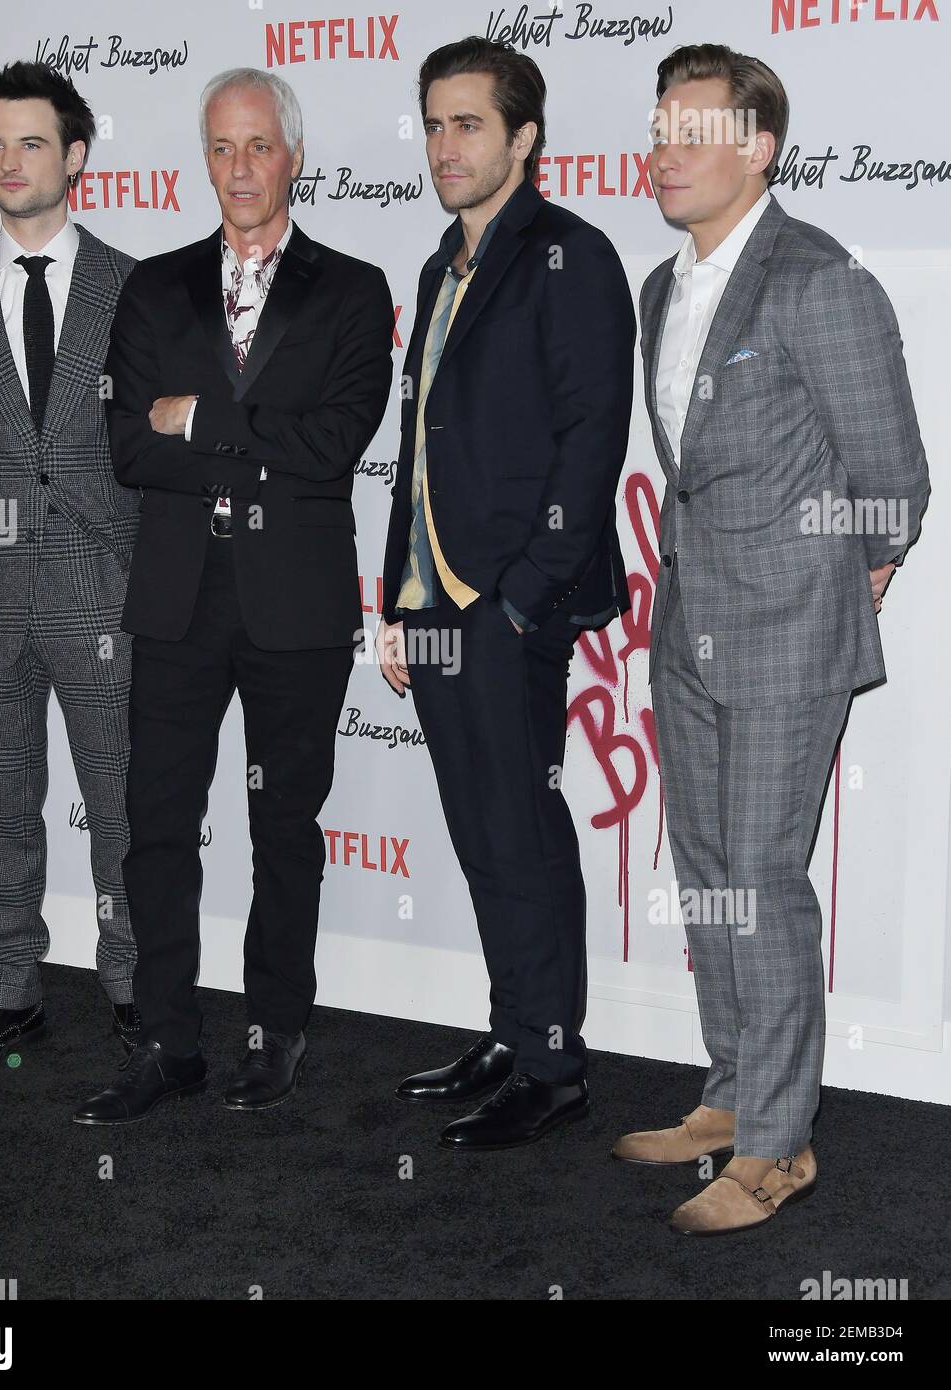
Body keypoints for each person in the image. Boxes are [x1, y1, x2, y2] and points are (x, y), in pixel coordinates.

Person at [612, 43, 930, 1235]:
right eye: (657, 127)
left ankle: (782, 1145)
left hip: (788, 634)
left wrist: (830, 583)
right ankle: (736, 1097)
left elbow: (894, 483)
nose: (666, 150)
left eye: (695, 129)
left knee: (760, 879)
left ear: (760, 147)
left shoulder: (818, 278)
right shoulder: (660, 287)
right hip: (686, 626)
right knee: (707, 878)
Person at [75, 68, 394, 1126]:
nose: (240, 168)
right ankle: (168, 1040)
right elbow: (124, 447)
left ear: (293, 155)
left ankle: (273, 1029)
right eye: (221, 148)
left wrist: (198, 421)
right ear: (203, 159)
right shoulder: (153, 287)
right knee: (154, 822)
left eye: (259, 146)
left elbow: (333, 447)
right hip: (174, 600)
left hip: (293, 603)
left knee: (282, 825)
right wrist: (213, 438)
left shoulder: (352, 289)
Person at [377, 36, 635, 1152]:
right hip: (433, 607)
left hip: (510, 607)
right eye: (433, 123)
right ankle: (510, 1025)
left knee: (522, 830)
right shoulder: (442, 266)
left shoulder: (575, 255)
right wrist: (398, 596)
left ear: (525, 138)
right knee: (480, 829)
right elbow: (418, 446)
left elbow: (591, 443)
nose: (446, 145)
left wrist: (521, 598)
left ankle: (554, 1064)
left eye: (468, 123)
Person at [0, 61, 140, 1072]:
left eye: (31, 142)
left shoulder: (136, 289)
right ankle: (10, 983)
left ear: (75, 156)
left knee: (124, 805)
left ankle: (135, 981)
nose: (10, 162)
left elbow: (152, 457)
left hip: (106, 594)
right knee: (3, 801)